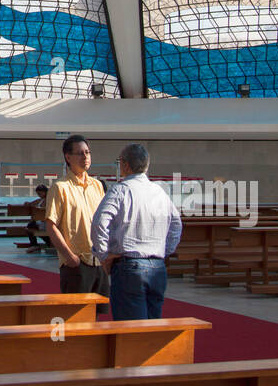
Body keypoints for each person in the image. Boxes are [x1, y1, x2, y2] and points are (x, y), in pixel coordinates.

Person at [90, 143, 182, 320]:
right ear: (146, 165)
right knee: (151, 326)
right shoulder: (159, 192)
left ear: (125, 165)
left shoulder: (120, 190)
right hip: (157, 265)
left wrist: (103, 255)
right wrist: (165, 250)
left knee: (130, 329)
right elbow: (176, 224)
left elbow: (99, 222)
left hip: (129, 266)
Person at [43, 136, 109, 297]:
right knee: (75, 318)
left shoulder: (97, 185)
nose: (85, 157)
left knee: (98, 317)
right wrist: (69, 256)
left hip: (100, 261)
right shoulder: (60, 188)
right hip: (76, 264)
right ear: (68, 157)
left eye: (87, 152)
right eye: (80, 153)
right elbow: (51, 226)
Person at [14, 184, 52, 251]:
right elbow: (30, 203)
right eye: (38, 193)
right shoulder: (40, 200)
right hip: (40, 222)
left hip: (46, 222)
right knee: (30, 227)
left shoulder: (49, 200)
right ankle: (44, 243)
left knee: (30, 227)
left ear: (45, 192)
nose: (39, 195)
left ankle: (35, 244)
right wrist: (27, 203)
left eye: (40, 193)